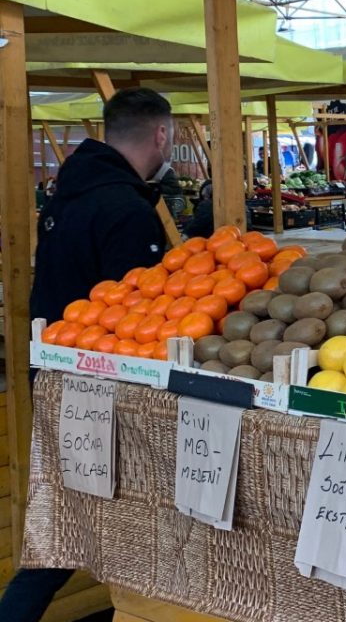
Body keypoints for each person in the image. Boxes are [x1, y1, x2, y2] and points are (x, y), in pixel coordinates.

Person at [0, 88, 173, 620]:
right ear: (162, 135)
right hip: (103, 391)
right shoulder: (125, 210)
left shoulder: (70, 192)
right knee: (79, 521)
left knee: (73, 517)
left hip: (60, 379)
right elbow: (137, 321)